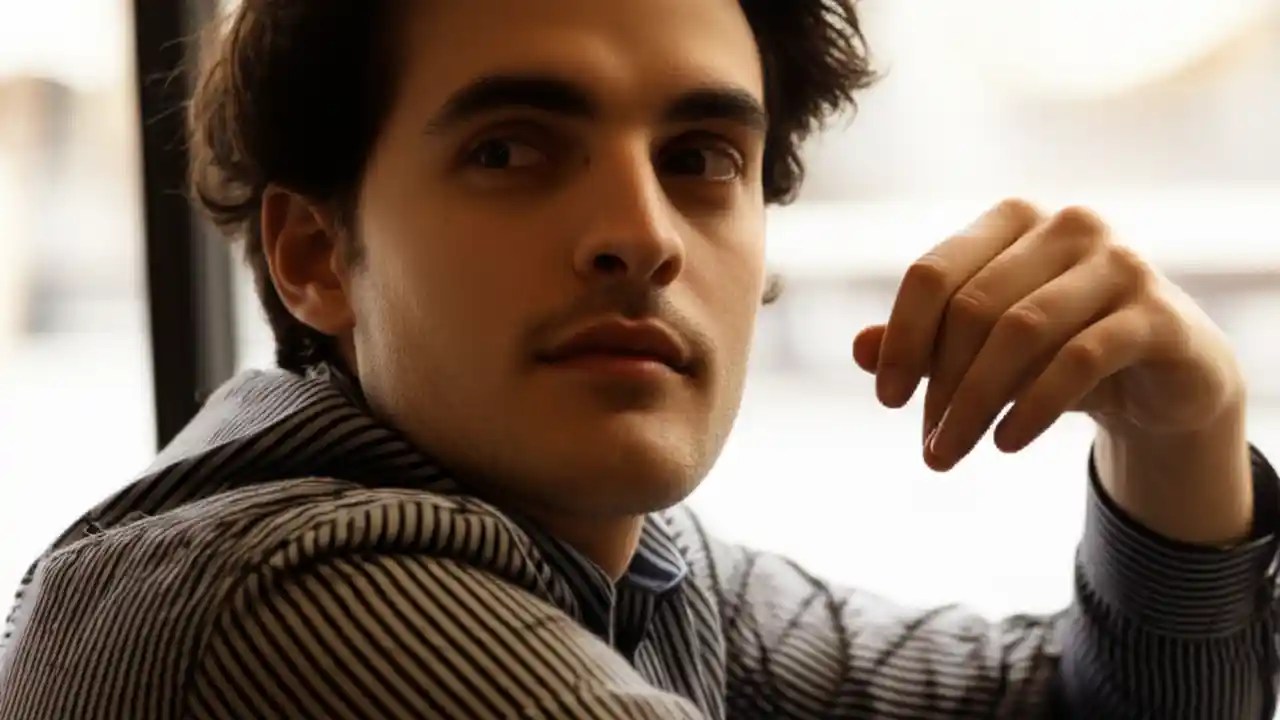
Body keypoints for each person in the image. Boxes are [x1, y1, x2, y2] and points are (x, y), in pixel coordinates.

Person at [1, 0, 1277, 717]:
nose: (641, 237)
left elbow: (1077, 711)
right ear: (314, 255)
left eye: (699, 160)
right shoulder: (284, 599)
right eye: (509, 149)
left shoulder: (649, 568)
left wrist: (1176, 434)